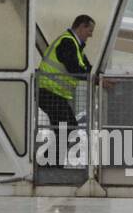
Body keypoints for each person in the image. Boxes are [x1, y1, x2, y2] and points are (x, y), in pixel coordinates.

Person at [37, 15, 95, 165]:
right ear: (81, 26)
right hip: (49, 92)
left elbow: (88, 69)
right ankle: (49, 164)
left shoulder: (76, 46)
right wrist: (95, 79)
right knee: (69, 128)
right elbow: (73, 67)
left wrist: (99, 79)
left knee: (65, 129)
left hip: (53, 94)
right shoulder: (67, 42)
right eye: (89, 30)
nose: (91, 35)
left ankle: (50, 164)